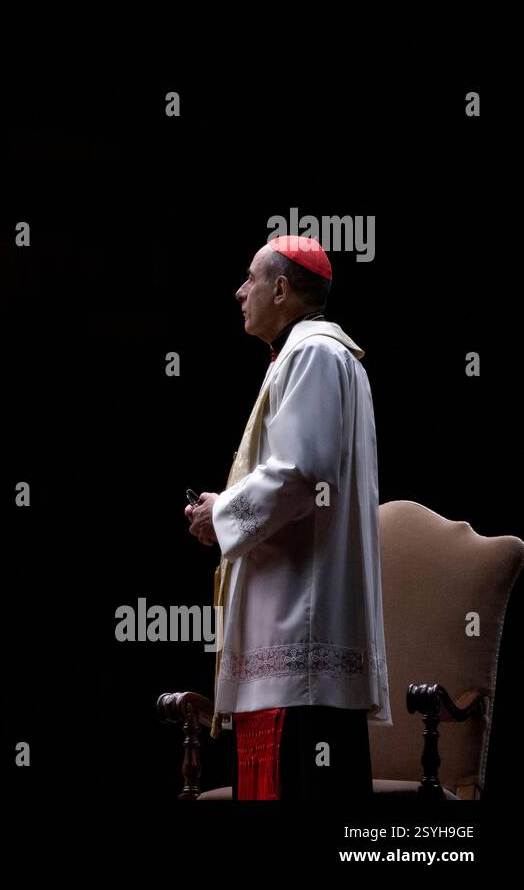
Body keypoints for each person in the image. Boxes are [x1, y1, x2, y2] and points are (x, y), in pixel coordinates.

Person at [184, 234, 390, 800]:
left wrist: (221, 513)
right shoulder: (313, 354)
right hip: (298, 619)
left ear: (281, 288)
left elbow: (302, 473)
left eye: (251, 278)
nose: (240, 290)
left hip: (302, 622)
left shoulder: (315, 355)